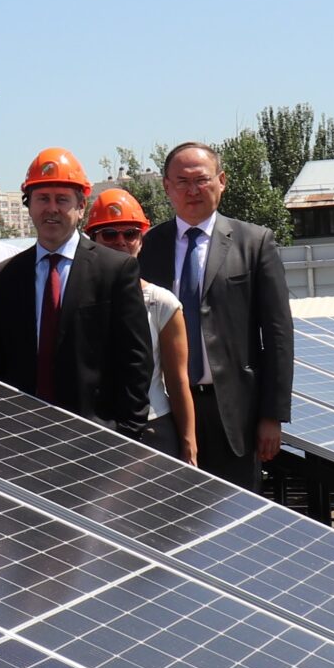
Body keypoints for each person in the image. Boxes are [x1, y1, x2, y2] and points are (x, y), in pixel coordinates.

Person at [138, 140, 295, 488]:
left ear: (221, 181)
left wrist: (272, 416)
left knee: (235, 513)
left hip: (234, 415)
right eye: (182, 182)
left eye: (202, 180)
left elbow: (278, 334)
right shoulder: (148, 246)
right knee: (173, 510)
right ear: (167, 187)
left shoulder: (254, 243)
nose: (192, 190)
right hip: (167, 412)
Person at [0, 147, 152, 434]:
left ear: (81, 206)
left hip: (96, 436)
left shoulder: (115, 271)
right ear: (29, 205)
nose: (52, 208)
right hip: (20, 433)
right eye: (43, 198)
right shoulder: (4, 277)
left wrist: (127, 431)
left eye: (62, 199)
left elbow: (136, 360)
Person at [88, 188, 198, 465]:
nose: (121, 242)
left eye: (130, 233)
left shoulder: (161, 302)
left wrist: (189, 444)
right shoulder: (77, 299)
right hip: (93, 427)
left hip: (153, 427)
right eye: (109, 234)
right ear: (93, 239)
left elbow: (178, 381)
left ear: (141, 240)